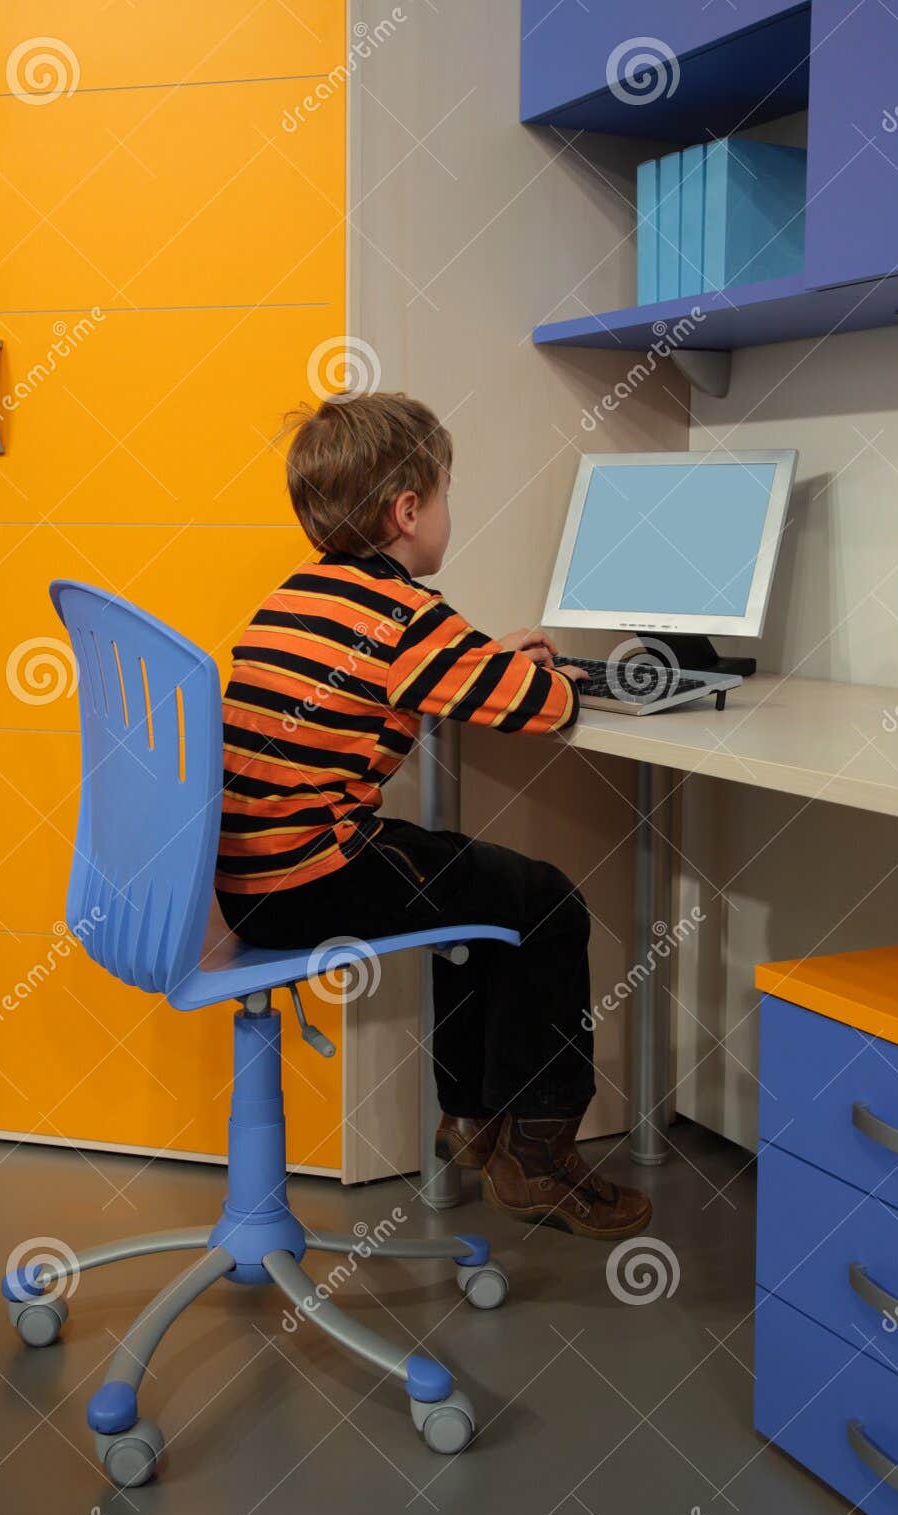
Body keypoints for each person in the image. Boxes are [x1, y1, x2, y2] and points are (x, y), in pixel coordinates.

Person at [215, 390, 652, 1241]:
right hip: (316, 876)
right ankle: (538, 1153)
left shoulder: (297, 597)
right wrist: (555, 678)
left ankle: (474, 1120)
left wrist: (487, 662)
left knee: (470, 891)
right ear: (408, 511)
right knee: (547, 903)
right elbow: (539, 707)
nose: (450, 513)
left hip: (254, 881)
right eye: (446, 494)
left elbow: (441, 673)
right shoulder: (406, 616)